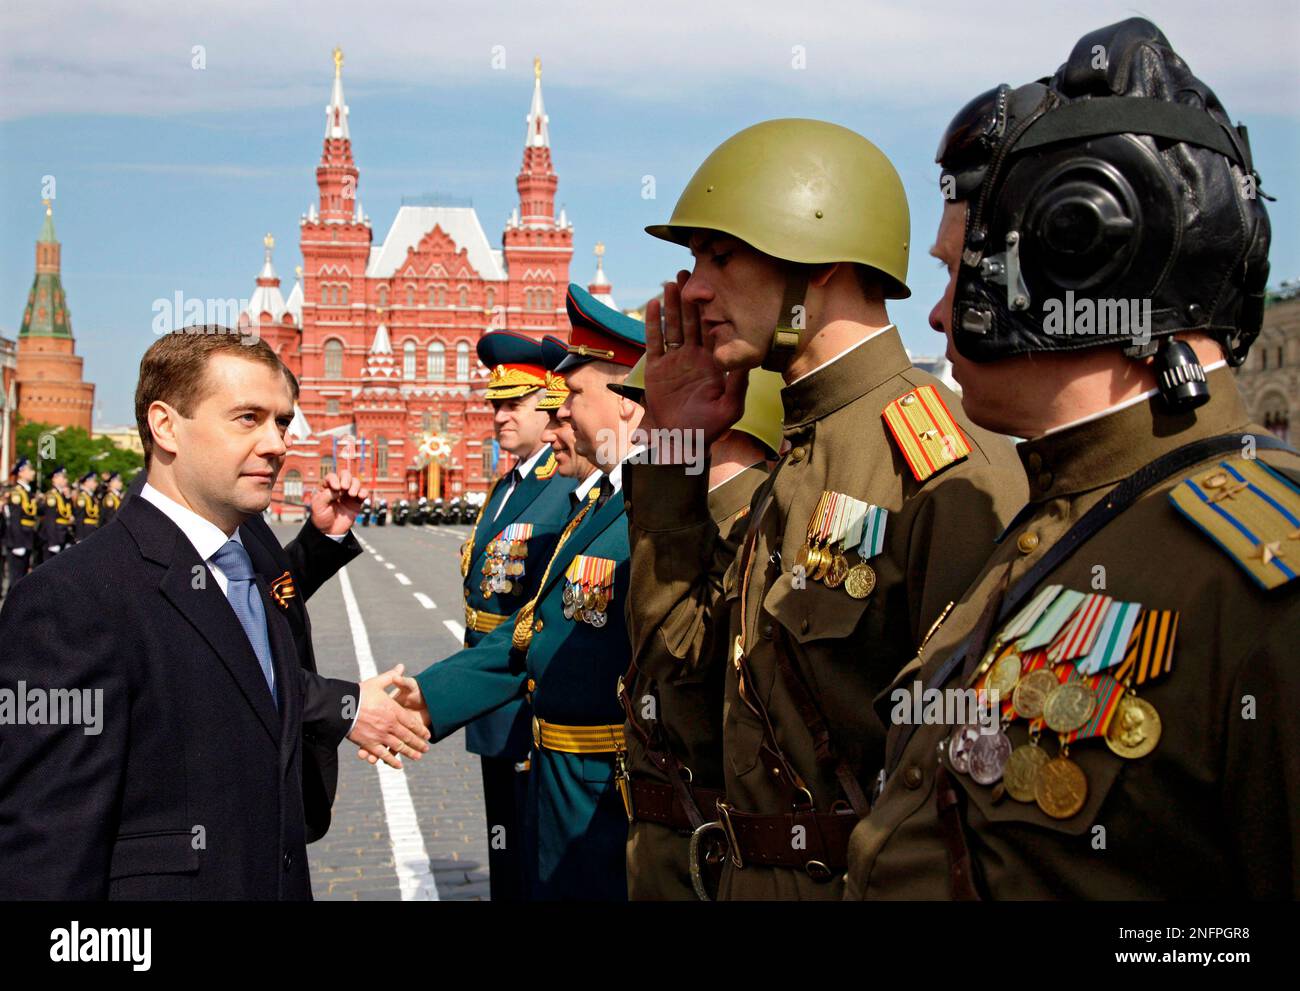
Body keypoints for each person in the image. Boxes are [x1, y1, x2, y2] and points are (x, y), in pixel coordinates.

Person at [846, 18, 1298, 900]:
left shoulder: (1257, 580)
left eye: (958, 274)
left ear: (1077, 262)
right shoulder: (1076, 509)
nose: (937, 317)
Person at [632, 118, 1027, 899]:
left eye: (721, 254)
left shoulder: (939, 466)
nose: (694, 288)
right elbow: (680, 680)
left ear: (821, 260)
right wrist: (671, 451)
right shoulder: (799, 457)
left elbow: (977, 781)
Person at [0, 329, 430, 899]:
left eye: (282, 421)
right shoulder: (71, 601)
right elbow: (46, 857)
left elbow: (238, 637)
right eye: (247, 418)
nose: (278, 443)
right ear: (165, 425)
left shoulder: (244, 547)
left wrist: (317, 545)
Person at [377, 286, 647, 899]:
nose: (560, 417)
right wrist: (432, 696)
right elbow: (536, 628)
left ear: (628, 407)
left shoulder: (651, 508)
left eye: (572, 397)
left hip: (608, 782)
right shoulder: (599, 502)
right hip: (562, 770)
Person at [616, 355, 783, 899]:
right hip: (668, 843)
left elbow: (678, 659)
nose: (641, 432)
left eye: (656, 416)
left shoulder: (751, 537)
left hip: (713, 849)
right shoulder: (687, 530)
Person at [457, 329, 579, 901]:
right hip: (493, 690)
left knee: (531, 842)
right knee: (502, 832)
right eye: (495, 405)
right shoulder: (507, 485)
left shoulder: (563, 490)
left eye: (514, 404)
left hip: (525, 689)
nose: (500, 416)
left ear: (549, 399)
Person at [4, 458, 40, 592]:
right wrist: (18, 543)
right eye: (30, 470)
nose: (33, 473)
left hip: (28, 537)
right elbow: (14, 520)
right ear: (21, 472)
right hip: (19, 540)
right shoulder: (17, 493)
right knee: (16, 579)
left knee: (22, 578)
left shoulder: (28, 492)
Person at [38, 465, 74, 561]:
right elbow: (50, 520)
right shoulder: (52, 496)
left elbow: (68, 513)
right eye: (63, 477)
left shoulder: (62, 495)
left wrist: (68, 498)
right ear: (55, 478)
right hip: (53, 537)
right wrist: (52, 542)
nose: (66, 480)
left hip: (61, 535)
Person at [72, 471, 101, 542]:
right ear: (87, 482)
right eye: (94, 481)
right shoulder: (83, 497)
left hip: (91, 529)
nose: (96, 484)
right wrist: (79, 537)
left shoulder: (90, 496)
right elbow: (79, 518)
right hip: (85, 531)